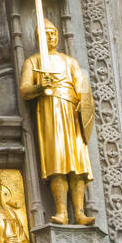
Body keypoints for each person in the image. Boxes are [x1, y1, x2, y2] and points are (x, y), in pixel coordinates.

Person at [19, 20, 95, 225]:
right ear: (39, 39)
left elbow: (82, 86)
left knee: (77, 163)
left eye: (53, 33)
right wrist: (39, 87)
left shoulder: (69, 61)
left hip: (71, 112)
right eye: (46, 34)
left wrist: (83, 102)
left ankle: (79, 212)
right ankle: (62, 212)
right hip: (50, 111)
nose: (51, 37)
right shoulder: (33, 62)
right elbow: (24, 90)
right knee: (57, 161)